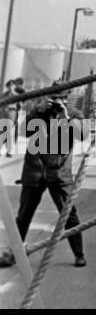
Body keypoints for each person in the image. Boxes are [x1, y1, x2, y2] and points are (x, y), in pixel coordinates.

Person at [0, 96, 86, 269]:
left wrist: (64, 117)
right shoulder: (39, 113)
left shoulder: (74, 114)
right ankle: (12, 253)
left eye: (61, 98)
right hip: (35, 170)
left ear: (67, 99)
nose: (56, 102)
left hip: (58, 172)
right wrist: (37, 111)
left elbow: (82, 135)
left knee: (69, 214)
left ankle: (79, 254)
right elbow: (23, 131)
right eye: (53, 98)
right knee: (23, 215)